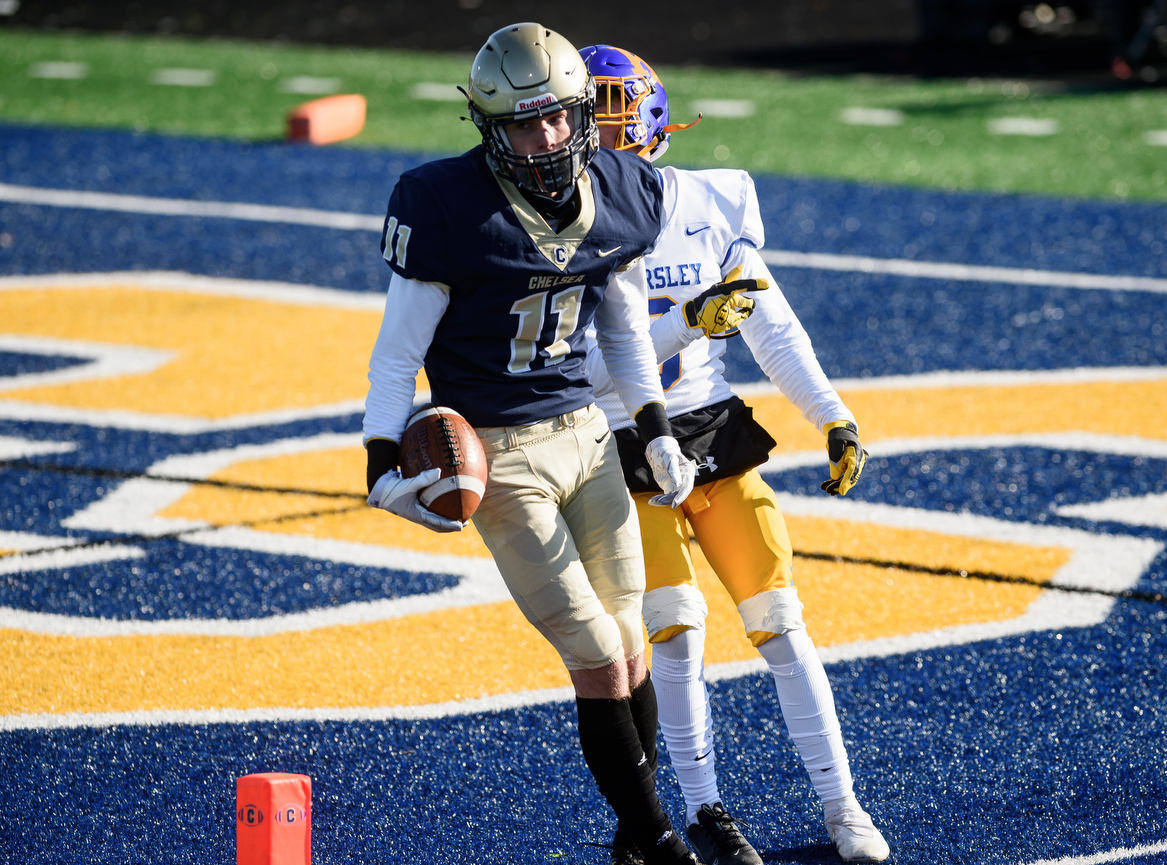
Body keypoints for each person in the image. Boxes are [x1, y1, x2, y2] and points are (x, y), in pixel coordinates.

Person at [361, 24, 707, 865]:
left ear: (581, 110)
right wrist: (379, 460)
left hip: (586, 437)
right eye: (522, 122)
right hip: (499, 450)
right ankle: (658, 838)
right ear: (490, 127)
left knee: (630, 639)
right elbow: (399, 350)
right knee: (591, 650)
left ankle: (634, 833)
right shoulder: (449, 206)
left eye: (557, 116)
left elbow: (624, 328)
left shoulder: (622, 188)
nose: (545, 137)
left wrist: (654, 428)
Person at [579, 45, 891, 865]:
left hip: (711, 432)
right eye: (593, 109)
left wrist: (833, 413)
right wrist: (688, 319)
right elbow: (590, 364)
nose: (607, 125)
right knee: (674, 632)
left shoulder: (712, 200)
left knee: (781, 621)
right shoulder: (567, 223)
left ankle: (840, 800)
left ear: (650, 114)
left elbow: (769, 322)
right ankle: (707, 811)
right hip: (621, 441)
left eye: (618, 106)